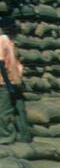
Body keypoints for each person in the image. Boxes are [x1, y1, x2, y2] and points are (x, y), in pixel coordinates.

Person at [0, 16, 33, 145]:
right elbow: (1, 63)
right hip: (4, 83)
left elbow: (14, 63)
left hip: (15, 82)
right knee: (5, 111)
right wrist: (8, 84)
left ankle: (25, 136)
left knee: (20, 109)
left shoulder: (11, 41)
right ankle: (6, 137)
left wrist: (19, 80)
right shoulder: (2, 40)